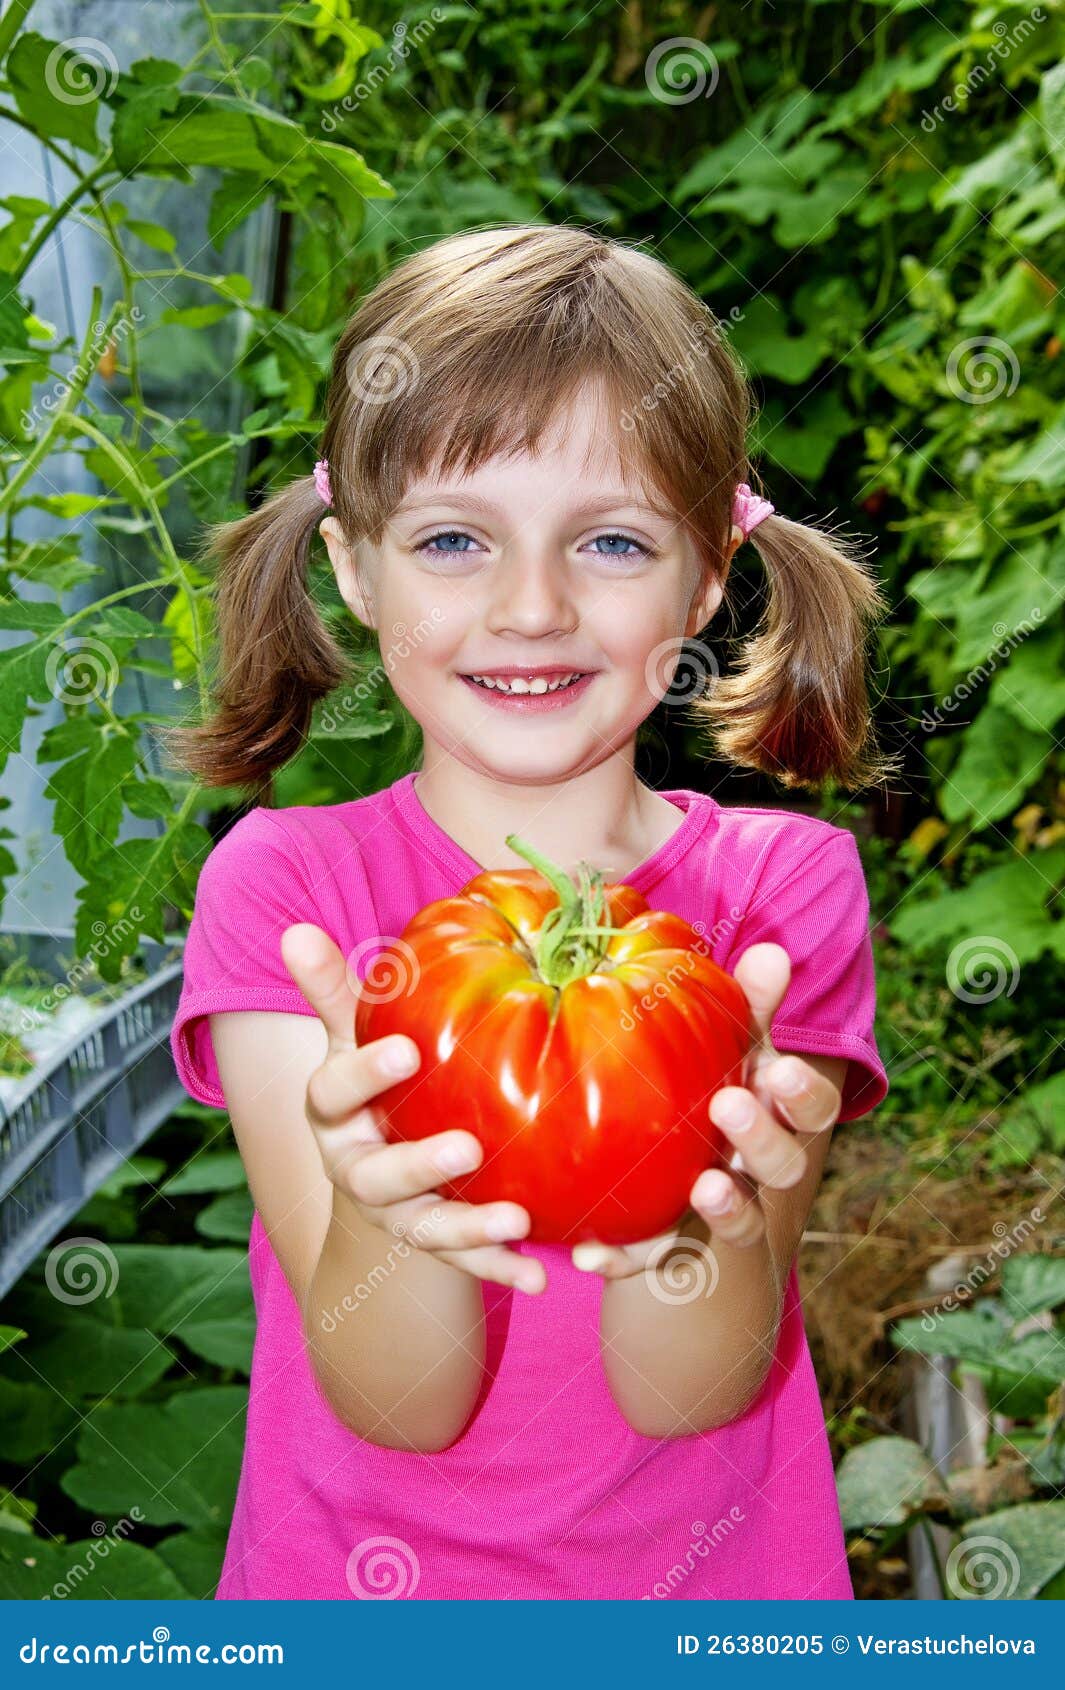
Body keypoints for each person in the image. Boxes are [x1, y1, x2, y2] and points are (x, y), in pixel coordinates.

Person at [165, 223, 889, 1602]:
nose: (533, 605)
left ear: (706, 576)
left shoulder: (781, 894)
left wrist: (709, 1223)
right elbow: (398, 1399)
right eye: (454, 539)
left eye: (611, 541)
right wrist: (384, 1209)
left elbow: (690, 1392)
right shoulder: (288, 892)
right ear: (356, 566)